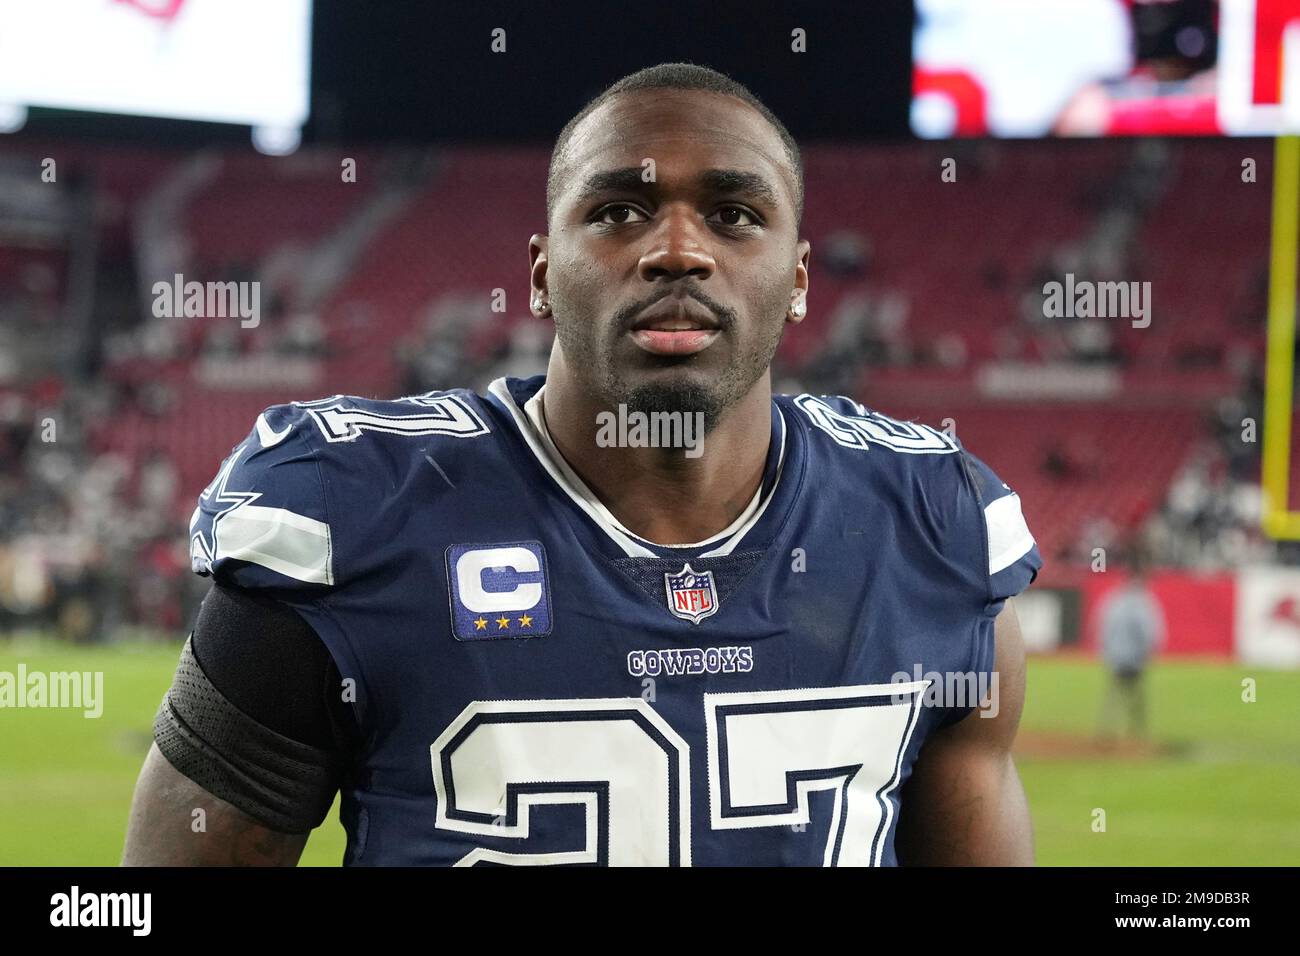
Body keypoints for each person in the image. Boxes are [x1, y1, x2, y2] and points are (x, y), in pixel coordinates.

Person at [122, 63, 1042, 867]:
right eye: (616, 213)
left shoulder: (934, 529)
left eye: (733, 215)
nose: (676, 252)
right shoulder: (352, 510)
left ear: (799, 279)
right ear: (542, 273)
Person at [1097, 553, 1165, 741]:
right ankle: (1136, 733)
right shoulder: (1142, 603)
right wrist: (1150, 651)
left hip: (1116, 657)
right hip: (1134, 658)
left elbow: (1103, 628)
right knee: (1136, 696)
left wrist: (1107, 651)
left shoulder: (1114, 601)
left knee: (1115, 694)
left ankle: (1107, 732)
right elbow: (1149, 631)